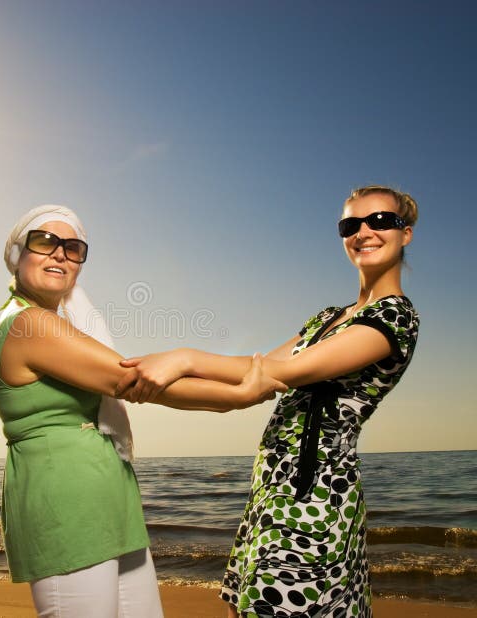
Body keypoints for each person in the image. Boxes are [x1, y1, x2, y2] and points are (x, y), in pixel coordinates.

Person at [114, 186, 420, 617]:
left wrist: (184, 359)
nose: (364, 232)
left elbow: (282, 374)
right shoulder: (328, 316)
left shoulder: (395, 317)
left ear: (405, 233)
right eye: (351, 225)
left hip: (316, 496)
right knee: (246, 609)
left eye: (380, 221)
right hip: (272, 486)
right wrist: (154, 382)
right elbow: (255, 366)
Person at [0, 205, 286, 618]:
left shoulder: (59, 326)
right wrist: (241, 392)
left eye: (73, 248)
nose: (60, 254)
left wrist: (259, 371)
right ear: (19, 254)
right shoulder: (29, 325)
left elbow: (135, 373)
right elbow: (130, 379)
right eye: (45, 242)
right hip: (64, 505)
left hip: (111, 498)